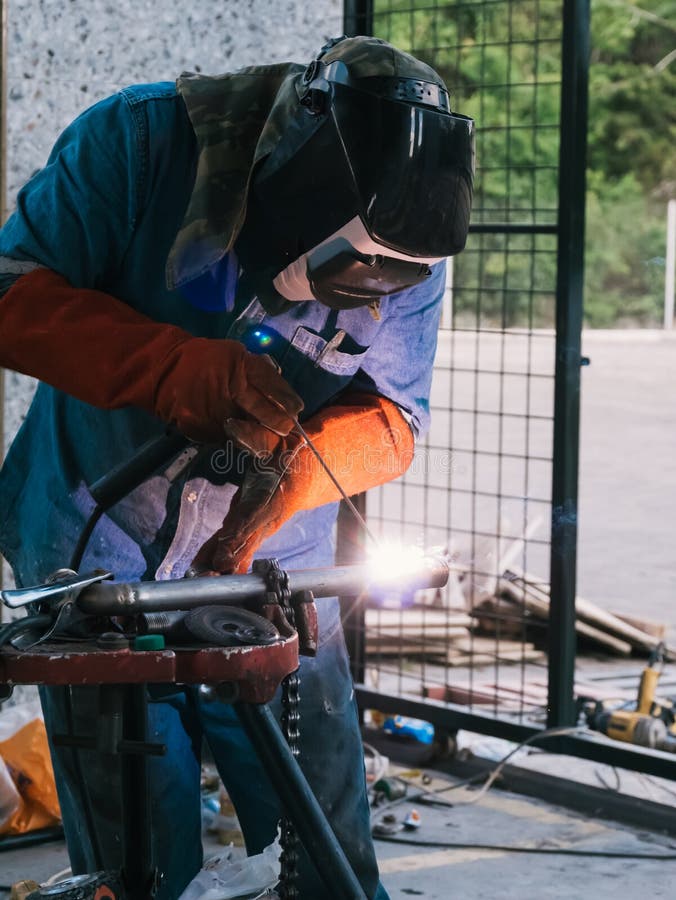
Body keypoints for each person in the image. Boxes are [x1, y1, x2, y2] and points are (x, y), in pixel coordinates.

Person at [0, 34, 474, 899]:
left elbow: (395, 417)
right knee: (138, 866)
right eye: (354, 265)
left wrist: (300, 471)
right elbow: (8, 293)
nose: (372, 289)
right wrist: (165, 367)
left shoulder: (413, 228)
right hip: (97, 564)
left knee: (327, 858)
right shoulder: (137, 146)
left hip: (273, 577)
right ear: (291, 191)